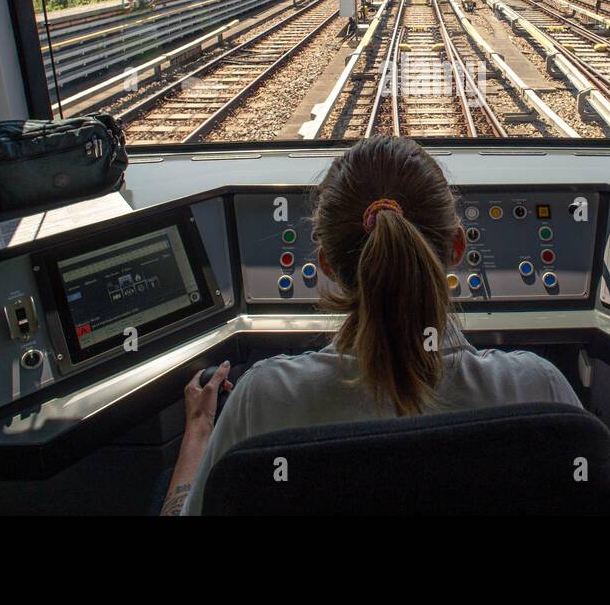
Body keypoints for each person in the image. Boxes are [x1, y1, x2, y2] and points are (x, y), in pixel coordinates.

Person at [159, 135, 581, 515]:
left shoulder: (261, 402)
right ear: (455, 249)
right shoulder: (540, 391)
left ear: (328, 266)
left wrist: (197, 431)